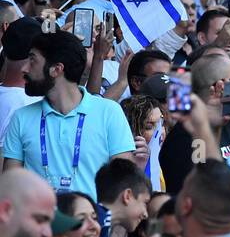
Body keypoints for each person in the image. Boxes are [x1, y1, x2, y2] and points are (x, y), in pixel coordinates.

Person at [2, 30, 136, 195]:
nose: (24, 68)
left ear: (56, 69)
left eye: (32, 60)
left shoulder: (109, 112)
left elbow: (123, 182)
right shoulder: (21, 117)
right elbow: (9, 186)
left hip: (93, 220)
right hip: (40, 220)